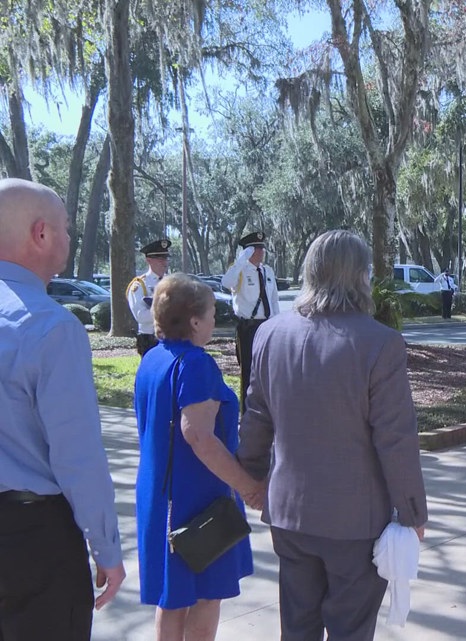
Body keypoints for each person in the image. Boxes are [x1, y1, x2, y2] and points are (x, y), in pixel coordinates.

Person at [237, 230, 428, 641]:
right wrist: (412, 513)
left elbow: (256, 415)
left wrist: (250, 477)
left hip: (290, 515)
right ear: (359, 276)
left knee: (298, 628)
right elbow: (396, 439)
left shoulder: (270, 334)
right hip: (355, 522)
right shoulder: (380, 343)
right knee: (350, 631)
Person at [0, 178, 124, 640]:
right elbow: (78, 458)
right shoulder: (51, 327)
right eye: (66, 229)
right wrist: (106, 549)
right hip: (33, 539)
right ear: (41, 234)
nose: (70, 240)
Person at [133, 274, 261, 640]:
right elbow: (199, 436)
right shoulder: (196, 365)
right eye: (210, 312)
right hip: (198, 504)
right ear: (193, 321)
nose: (214, 319)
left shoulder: (153, 359)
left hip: (161, 497)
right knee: (206, 598)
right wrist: (248, 486)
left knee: (171, 601)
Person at [221, 231, 280, 411]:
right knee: (248, 370)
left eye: (262, 248)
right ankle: (246, 412)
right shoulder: (239, 271)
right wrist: (240, 261)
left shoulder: (267, 271)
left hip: (267, 325)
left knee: (269, 371)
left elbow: (274, 300)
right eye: (257, 248)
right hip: (248, 327)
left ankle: (267, 410)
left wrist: (278, 325)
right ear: (248, 251)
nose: (261, 251)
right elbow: (225, 282)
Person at [127, 238, 172, 357]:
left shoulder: (172, 282)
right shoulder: (139, 285)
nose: (164, 262)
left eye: (166, 258)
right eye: (160, 259)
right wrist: (166, 311)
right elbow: (141, 316)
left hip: (172, 338)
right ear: (149, 260)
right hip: (150, 339)